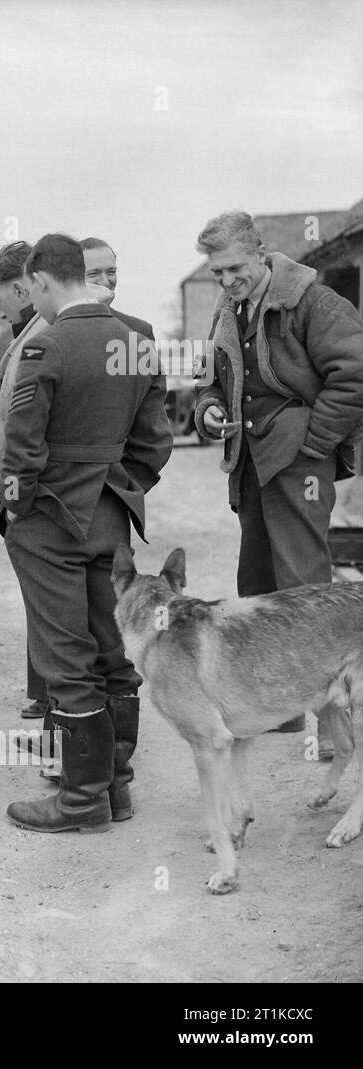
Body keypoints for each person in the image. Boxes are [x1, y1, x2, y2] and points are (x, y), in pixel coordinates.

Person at [0, 233, 171, 833]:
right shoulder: (137, 340)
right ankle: (116, 789)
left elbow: (19, 449)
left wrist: (17, 509)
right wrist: (120, 486)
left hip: (50, 518)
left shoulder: (46, 347)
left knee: (63, 656)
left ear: (43, 280)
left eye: (32, 291)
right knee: (111, 648)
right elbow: (154, 443)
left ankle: (81, 800)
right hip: (111, 517)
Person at [193, 210, 363, 743]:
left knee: (304, 586)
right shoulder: (229, 309)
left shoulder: (315, 301)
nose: (225, 281)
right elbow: (212, 381)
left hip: (299, 463)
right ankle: (278, 707)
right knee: (258, 586)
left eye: (233, 269)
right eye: (216, 273)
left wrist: (315, 442)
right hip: (251, 461)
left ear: (260, 253)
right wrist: (209, 409)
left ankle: (328, 723)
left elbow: (354, 374)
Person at [0, 240, 51, 731]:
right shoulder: (24, 331)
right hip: (18, 478)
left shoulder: (41, 335)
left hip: (33, 487)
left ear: (22, 287)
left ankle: (57, 714)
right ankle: (47, 699)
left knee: (52, 605)